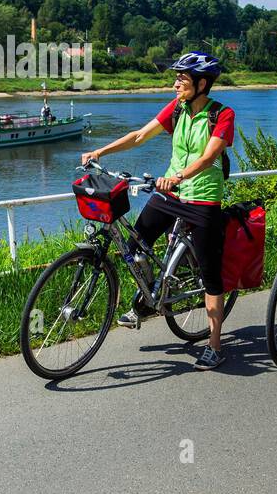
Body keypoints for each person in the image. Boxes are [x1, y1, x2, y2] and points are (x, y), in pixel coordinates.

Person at [81, 52, 235, 370]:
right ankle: (149, 298)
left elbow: (208, 158)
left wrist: (179, 176)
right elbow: (139, 135)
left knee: (211, 277)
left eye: (183, 78)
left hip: (203, 198)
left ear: (202, 83)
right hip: (171, 192)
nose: (176, 82)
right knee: (136, 245)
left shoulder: (222, 115)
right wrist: (100, 150)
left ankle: (215, 345)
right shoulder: (176, 109)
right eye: (176, 77)